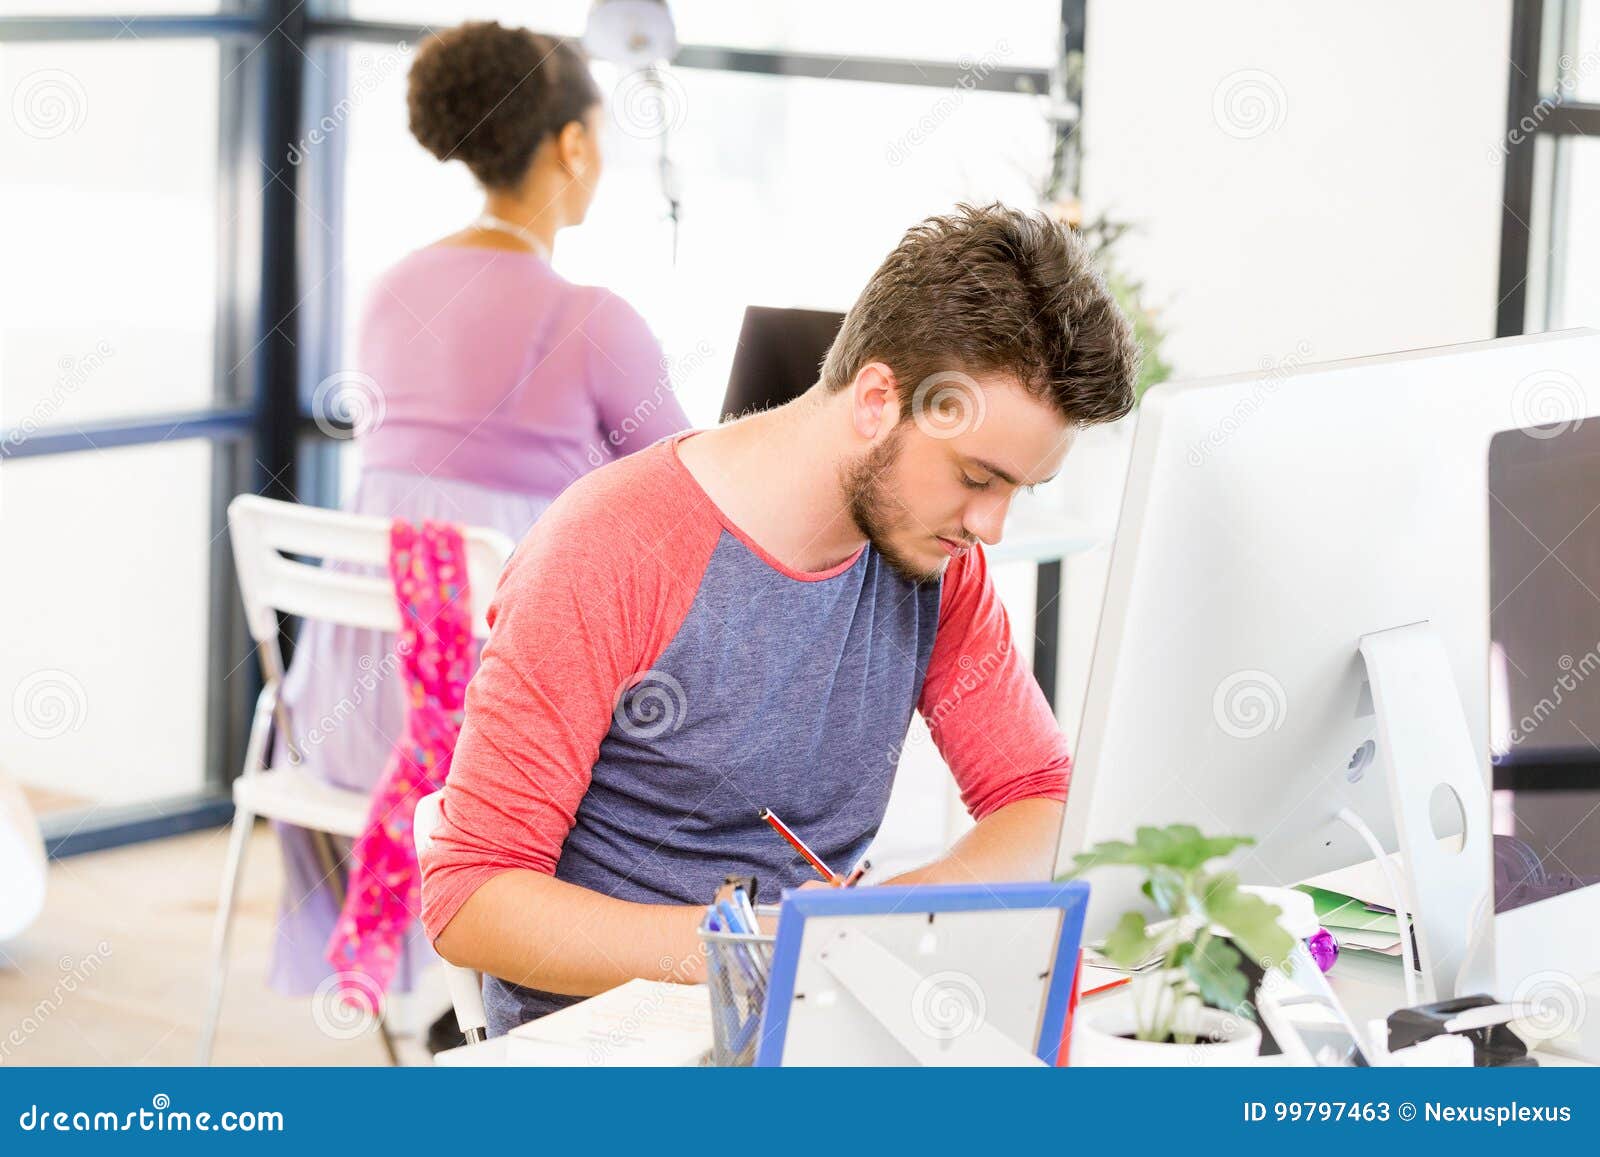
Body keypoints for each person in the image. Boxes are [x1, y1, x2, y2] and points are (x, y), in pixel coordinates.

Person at [419, 203, 1140, 1036]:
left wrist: (874, 928)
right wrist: (758, 946)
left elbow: (1042, 799)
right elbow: (470, 896)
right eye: (977, 476)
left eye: (1019, 488)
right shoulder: (609, 548)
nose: (992, 526)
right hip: (615, 1040)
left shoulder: (942, 566)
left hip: (809, 1017)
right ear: (876, 399)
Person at [269, 22, 689, 998]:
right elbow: (691, 493)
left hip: (345, 711)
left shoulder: (388, 293)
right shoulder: (591, 318)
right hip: (482, 722)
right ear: (574, 146)